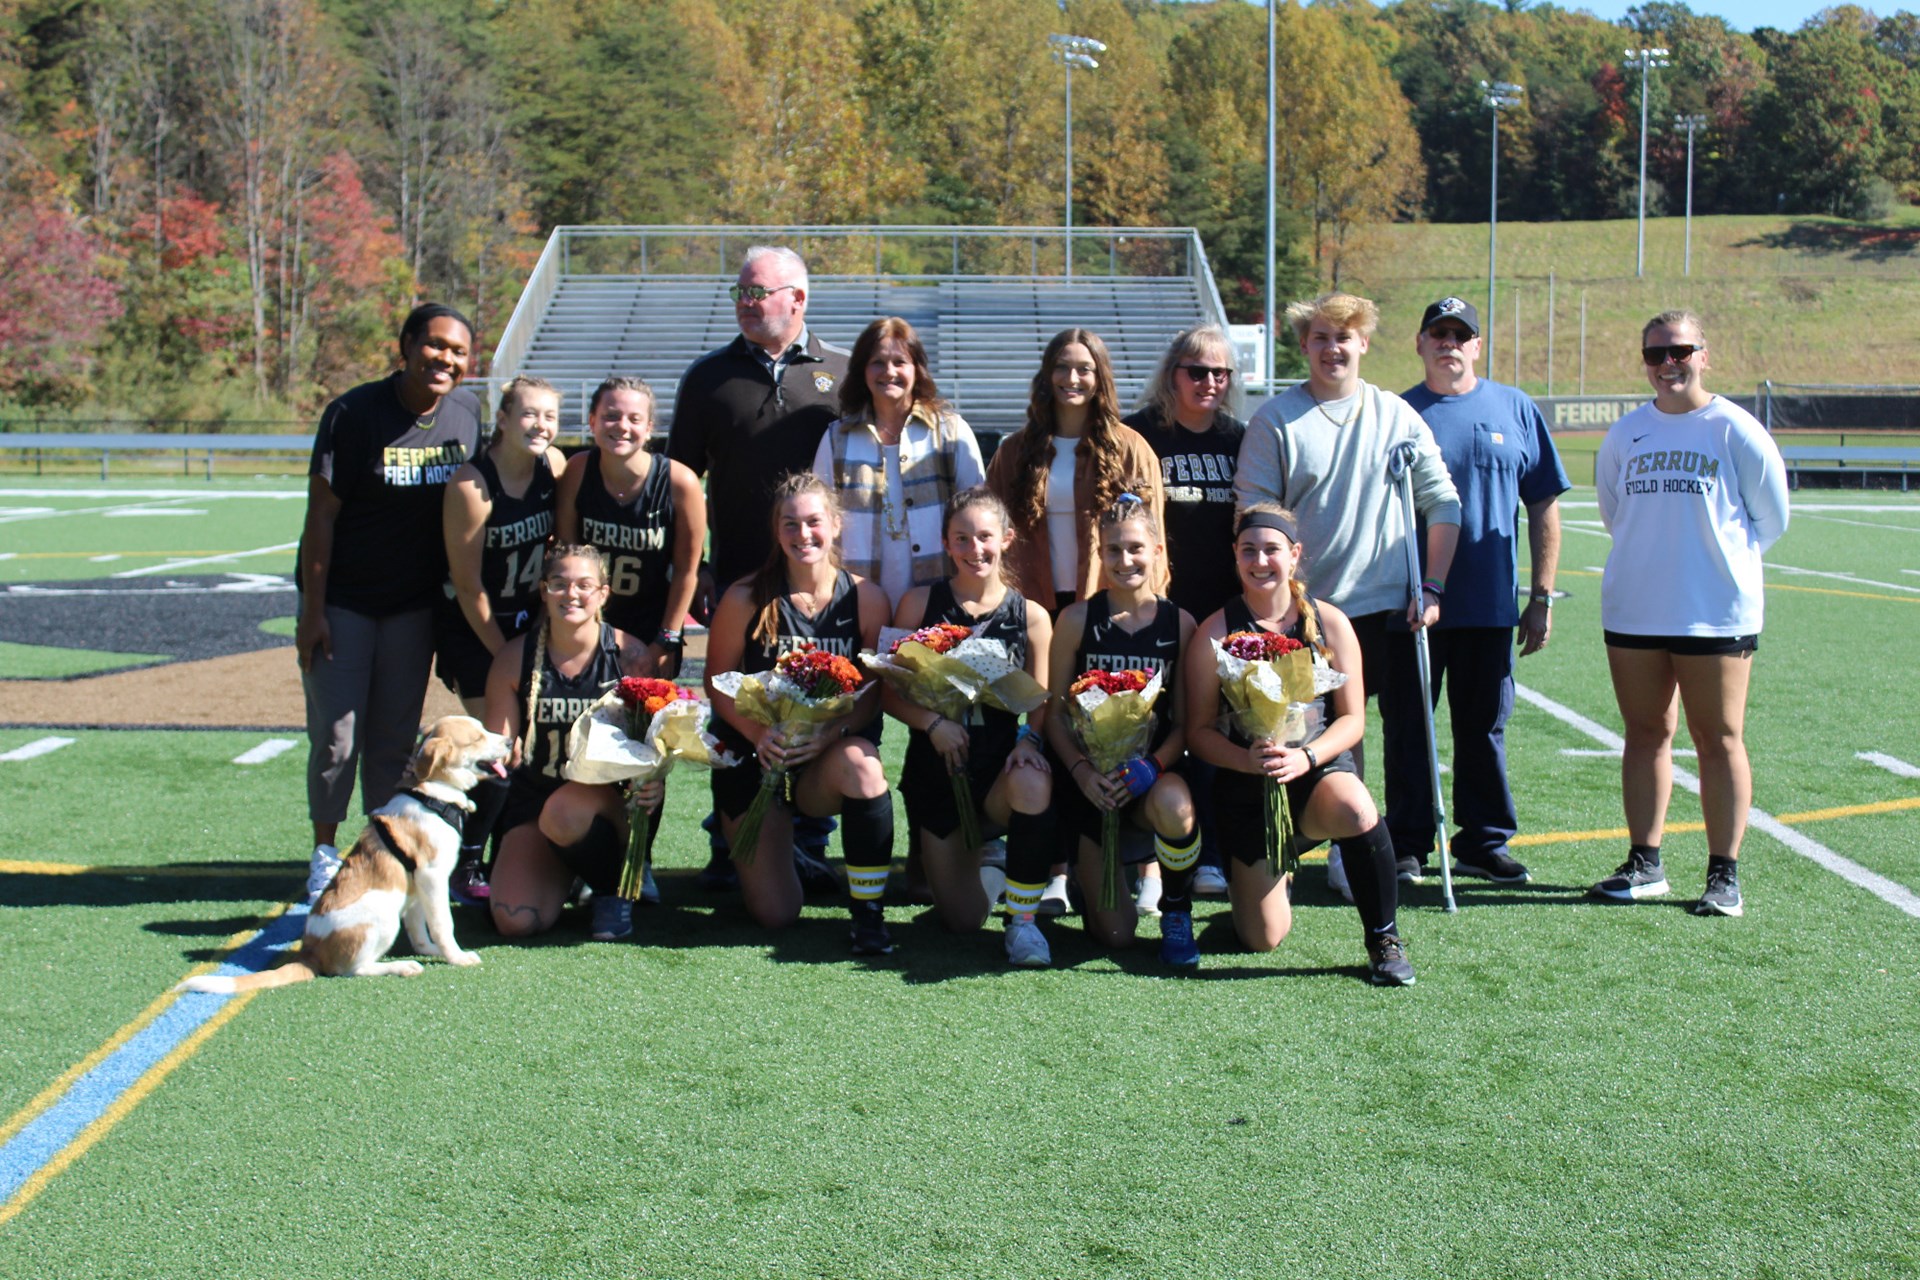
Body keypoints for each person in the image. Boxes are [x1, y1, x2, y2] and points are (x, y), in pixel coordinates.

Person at [1234, 292, 1461, 897]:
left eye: (1345, 337)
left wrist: (1432, 585)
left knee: (1402, 731)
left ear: (1363, 343)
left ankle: (1398, 845)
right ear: (1304, 346)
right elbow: (1256, 509)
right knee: (1316, 732)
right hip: (1307, 613)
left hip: (1390, 605)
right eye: (1321, 338)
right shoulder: (1276, 419)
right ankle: (1333, 844)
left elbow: (1442, 501)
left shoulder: (1396, 416)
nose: (1333, 348)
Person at [1591, 310, 1788, 917]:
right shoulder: (1626, 434)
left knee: (1718, 738)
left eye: (1680, 351)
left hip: (1714, 611)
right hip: (1636, 609)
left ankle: (1723, 874)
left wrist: (1710, 568)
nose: (1667, 363)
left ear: (1704, 354)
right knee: (1646, 734)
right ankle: (1645, 864)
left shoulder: (1734, 429)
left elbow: (1770, 520)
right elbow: (1612, 511)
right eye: (1655, 354)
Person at [668, 246, 850, 893]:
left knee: (818, 701)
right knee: (736, 712)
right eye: (740, 294)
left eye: (759, 293)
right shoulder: (707, 378)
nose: (747, 304)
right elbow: (680, 484)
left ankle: (806, 841)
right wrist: (697, 573)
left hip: (814, 588)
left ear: (797, 299)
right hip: (740, 584)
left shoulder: (842, 374)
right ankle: (732, 835)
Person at [296, 303, 484, 902]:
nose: (445, 360)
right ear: (404, 346)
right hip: (347, 600)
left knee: (392, 741)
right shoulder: (353, 413)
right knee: (337, 736)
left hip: (414, 605)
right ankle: (326, 854)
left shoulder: (467, 412)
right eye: (433, 346)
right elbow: (322, 515)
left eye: (457, 351)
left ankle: (383, 850)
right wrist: (312, 607)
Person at [1183, 507, 1415, 985]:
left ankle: (1384, 939)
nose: (1260, 560)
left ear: (1294, 555)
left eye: (1272, 549)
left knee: (1355, 806)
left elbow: (1353, 720)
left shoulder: (1329, 622)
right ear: (1235, 556)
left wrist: (1306, 756)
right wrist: (1246, 760)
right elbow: (1198, 733)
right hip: (1250, 789)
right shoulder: (1214, 631)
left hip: (1314, 773)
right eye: (1249, 550)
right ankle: (1268, 878)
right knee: (1262, 938)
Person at [986, 328, 1167, 916]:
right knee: (1049, 727)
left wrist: (1146, 614)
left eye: (1085, 369)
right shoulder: (1017, 450)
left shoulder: (1132, 448)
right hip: (1040, 612)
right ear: (1047, 375)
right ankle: (1056, 869)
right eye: (1063, 367)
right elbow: (996, 536)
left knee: (1122, 730)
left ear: (1101, 376)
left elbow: (1153, 542)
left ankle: (1148, 869)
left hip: (1107, 609)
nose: (1073, 379)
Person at [1397, 297, 1571, 884]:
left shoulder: (1515, 408)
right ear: (1419, 343)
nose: (1448, 343)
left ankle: (1482, 840)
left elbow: (1543, 505)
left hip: (1489, 605)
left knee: (1483, 730)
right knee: (1410, 727)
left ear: (1477, 345)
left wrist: (1540, 596)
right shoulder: (1397, 413)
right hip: (1412, 605)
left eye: (1459, 334)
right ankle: (1409, 842)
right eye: (1437, 334)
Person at [704, 474, 896, 952]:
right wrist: (756, 734)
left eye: (813, 522)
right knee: (776, 913)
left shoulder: (867, 598)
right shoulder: (746, 597)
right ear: (776, 531)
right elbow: (717, 682)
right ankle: (784, 848)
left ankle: (868, 916)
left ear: (835, 525)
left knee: (862, 765)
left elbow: (874, 691)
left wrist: (832, 734)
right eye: (790, 524)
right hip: (757, 759)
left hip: (823, 757)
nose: (803, 534)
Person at [884, 489, 1055, 965]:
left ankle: (1023, 923)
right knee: (961, 921)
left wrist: (1031, 739)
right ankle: (990, 875)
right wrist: (933, 722)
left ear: (1006, 538)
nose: (974, 549)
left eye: (984, 536)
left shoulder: (1032, 615)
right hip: (938, 774)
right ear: (945, 542)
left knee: (1032, 779)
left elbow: (1042, 699)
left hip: (998, 774)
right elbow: (888, 690)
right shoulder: (919, 603)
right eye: (962, 538)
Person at [1124, 323, 1247, 899]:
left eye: (1220, 372)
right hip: (1158, 616)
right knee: (1153, 734)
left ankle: (1215, 856)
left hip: (1223, 618)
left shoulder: (1241, 438)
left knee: (1218, 736)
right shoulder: (1139, 434)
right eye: (1196, 371)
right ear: (1171, 373)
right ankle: (1143, 859)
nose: (1209, 382)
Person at [1044, 494, 1198, 952]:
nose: (1124, 559)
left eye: (1134, 548)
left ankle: (1177, 910)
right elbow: (1054, 715)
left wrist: (1151, 767)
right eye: (1113, 549)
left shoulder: (1180, 623)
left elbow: (1185, 724)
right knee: (1114, 934)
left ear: (1156, 550)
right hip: (1094, 786)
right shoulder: (1076, 620)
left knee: (1176, 806)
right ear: (1099, 553)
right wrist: (1082, 772)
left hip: (1151, 779)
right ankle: (1085, 879)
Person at [483, 544, 657, 942]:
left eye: (583, 584)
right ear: (543, 590)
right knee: (516, 919)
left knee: (564, 812)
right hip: (535, 800)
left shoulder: (629, 655)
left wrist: (654, 779)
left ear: (603, 593)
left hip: (608, 802)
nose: (571, 594)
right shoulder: (516, 658)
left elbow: (654, 747)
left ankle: (611, 889)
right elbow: (499, 749)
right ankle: (571, 866)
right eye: (559, 584)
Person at [437, 374, 564, 903]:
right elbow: (469, 590)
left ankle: (511, 859)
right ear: (505, 419)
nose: (541, 425)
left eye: (550, 417)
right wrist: (507, 660)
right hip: (480, 633)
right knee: (497, 751)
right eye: (530, 414)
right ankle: (465, 865)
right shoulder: (472, 485)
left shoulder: (552, 468)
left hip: (530, 629)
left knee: (530, 752)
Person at [812, 316, 986, 609]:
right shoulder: (836, 438)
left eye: (899, 362)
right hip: (855, 601)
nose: (888, 372)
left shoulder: (950, 432)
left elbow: (980, 515)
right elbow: (818, 518)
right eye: (877, 362)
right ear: (862, 370)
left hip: (937, 599)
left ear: (917, 369)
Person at [557, 375, 706, 678]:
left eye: (634, 419)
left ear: (649, 427)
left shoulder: (680, 482)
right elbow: (566, 553)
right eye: (611, 416)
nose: (622, 426)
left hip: (651, 626)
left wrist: (664, 640)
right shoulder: (578, 470)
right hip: (587, 622)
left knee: (644, 721)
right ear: (592, 421)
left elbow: (685, 572)